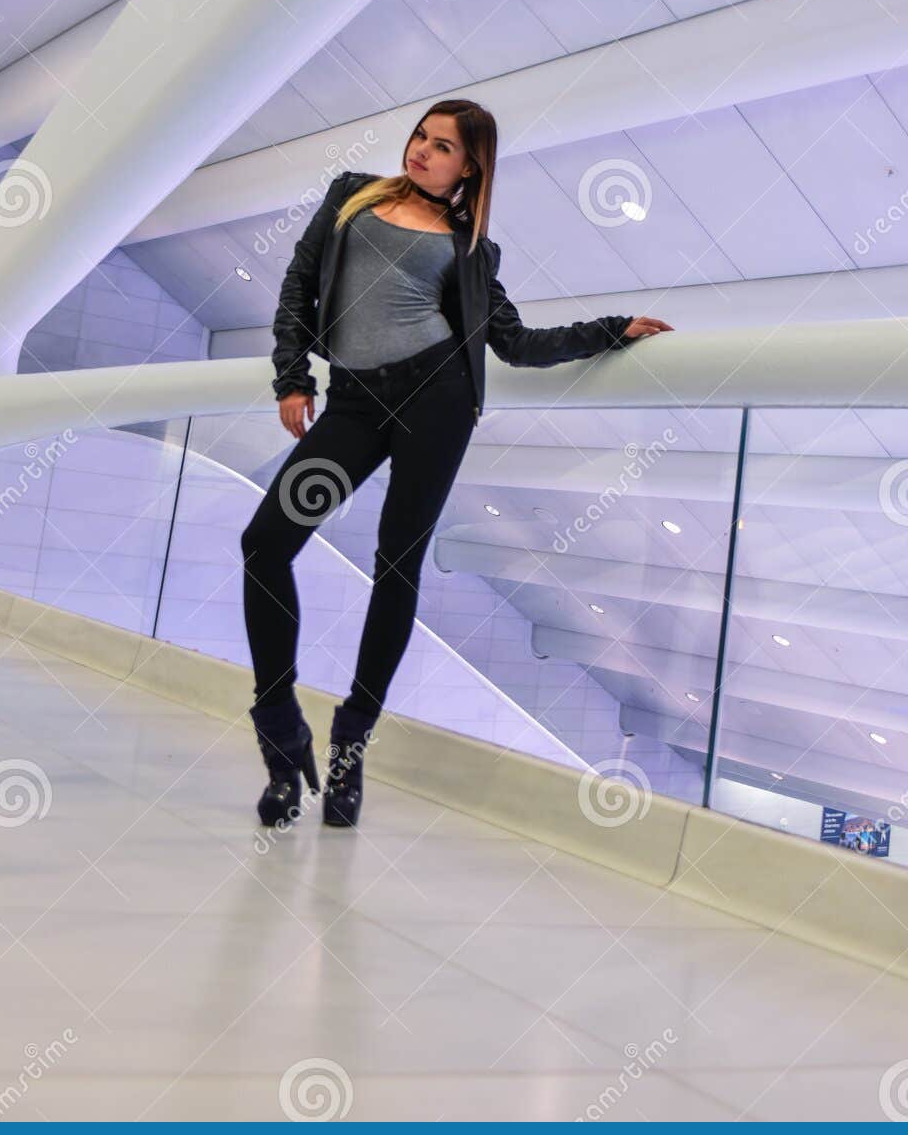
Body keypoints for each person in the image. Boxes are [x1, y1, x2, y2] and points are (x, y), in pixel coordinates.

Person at [240, 98, 674, 831]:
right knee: (266, 542)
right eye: (420, 137)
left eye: (442, 147)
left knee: (395, 566)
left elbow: (514, 342)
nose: (421, 151)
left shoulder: (473, 249)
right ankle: (281, 729)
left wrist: (609, 330)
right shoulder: (351, 195)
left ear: (469, 167)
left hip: (435, 402)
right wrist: (292, 376)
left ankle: (351, 746)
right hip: (351, 403)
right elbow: (298, 285)